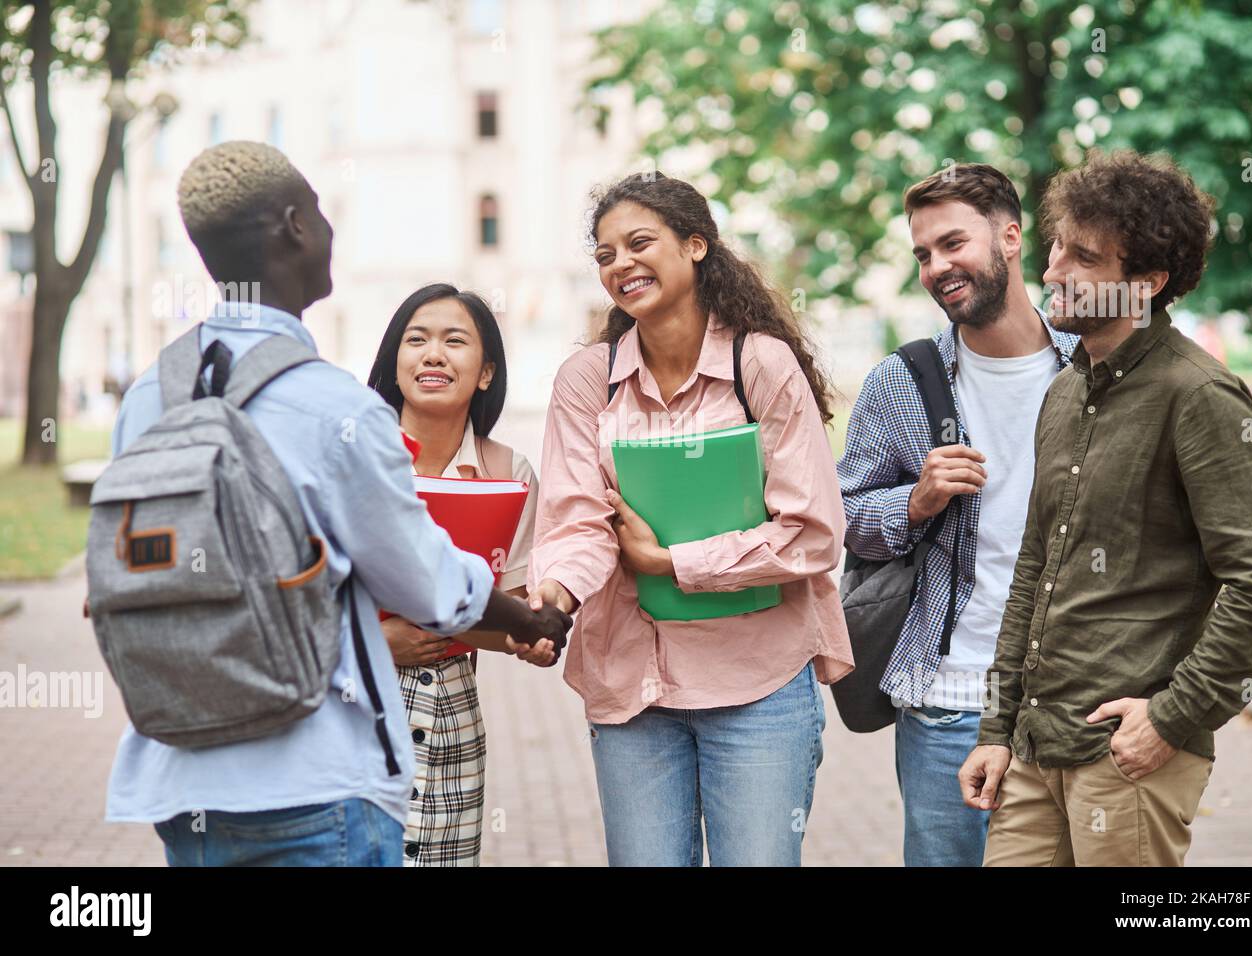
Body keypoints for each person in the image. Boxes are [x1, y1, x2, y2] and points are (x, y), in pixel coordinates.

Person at [105, 141, 570, 866]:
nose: (329, 230)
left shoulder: (149, 394)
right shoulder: (334, 408)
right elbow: (433, 586)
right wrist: (531, 618)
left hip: (180, 775)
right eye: (321, 213)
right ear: (295, 226)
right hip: (311, 783)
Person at [959, 149, 1252, 866]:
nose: (1052, 271)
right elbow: (1034, 569)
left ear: (1144, 284)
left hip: (1127, 757)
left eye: (1083, 257)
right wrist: (997, 727)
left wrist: (1172, 718)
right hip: (1033, 748)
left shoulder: (1198, 397)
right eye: (1056, 246)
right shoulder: (1064, 392)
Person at [526, 171, 853, 867]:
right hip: (633, 688)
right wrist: (552, 596)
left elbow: (814, 532)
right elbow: (576, 521)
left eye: (639, 243)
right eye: (605, 255)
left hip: (758, 682)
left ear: (696, 245)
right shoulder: (586, 380)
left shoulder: (759, 365)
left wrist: (672, 564)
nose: (621, 264)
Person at [838, 164, 1078, 866]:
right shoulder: (901, 381)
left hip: (1071, 695)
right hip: (948, 701)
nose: (937, 266)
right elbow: (845, 517)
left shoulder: (1092, 367)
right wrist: (916, 501)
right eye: (922, 254)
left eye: (952, 243)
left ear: (1010, 237)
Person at [367, 283, 550, 866]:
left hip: (449, 714)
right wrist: (376, 640)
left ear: (487, 371)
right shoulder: (353, 454)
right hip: (352, 707)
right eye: (415, 339)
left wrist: (530, 636)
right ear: (394, 362)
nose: (433, 354)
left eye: (455, 341)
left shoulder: (509, 472)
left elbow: (506, 614)